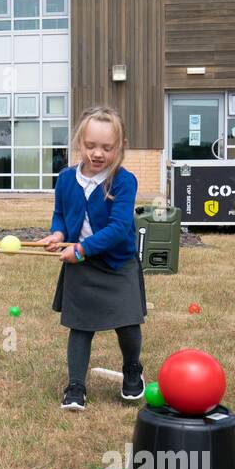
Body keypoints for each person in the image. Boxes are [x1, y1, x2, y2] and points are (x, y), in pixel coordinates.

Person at [37, 105, 147, 411]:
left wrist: (82, 249)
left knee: (127, 323)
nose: (97, 154)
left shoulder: (124, 181)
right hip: (80, 264)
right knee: (80, 326)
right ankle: (76, 385)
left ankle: (132, 369)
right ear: (79, 142)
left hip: (116, 263)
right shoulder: (66, 178)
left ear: (120, 147)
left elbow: (119, 227)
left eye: (106, 148)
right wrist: (58, 235)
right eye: (90, 146)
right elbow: (60, 215)